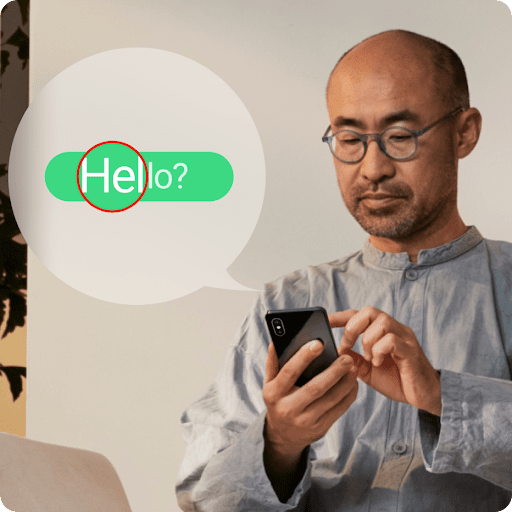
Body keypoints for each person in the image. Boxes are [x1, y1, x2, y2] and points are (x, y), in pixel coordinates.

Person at [176, 30, 512, 511]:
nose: (372, 167)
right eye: (350, 139)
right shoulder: (285, 303)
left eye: (400, 137)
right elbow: (203, 499)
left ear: (465, 132)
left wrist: (443, 398)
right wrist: (279, 444)